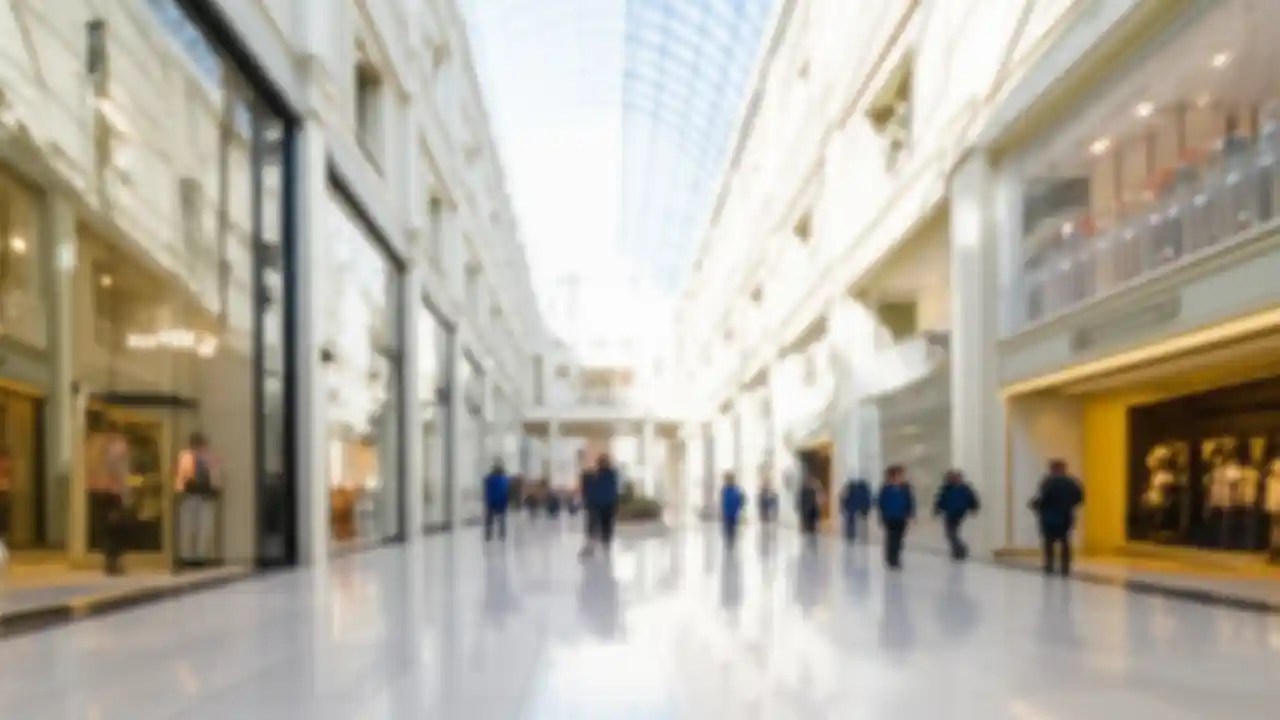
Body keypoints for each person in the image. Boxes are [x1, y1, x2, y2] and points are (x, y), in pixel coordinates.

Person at [1030, 459, 1085, 576]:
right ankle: (1065, 567)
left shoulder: (1047, 482)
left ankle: (1049, 565)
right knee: (1065, 540)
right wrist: (1069, 506)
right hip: (1065, 516)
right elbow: (1079, 498)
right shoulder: (1071, 483)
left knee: (1048, 541)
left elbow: (1042, 498)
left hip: (1048, 516)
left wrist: (1036, 506)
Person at [175, 432, 220, 566]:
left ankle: (199, 556)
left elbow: (216, 475)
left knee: (203, 527)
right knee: (189, 526)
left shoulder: (209, 458)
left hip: (203, 495)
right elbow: (182, 476)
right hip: (191, 494)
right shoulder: (186, 456)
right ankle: (189, 556)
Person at [934, 470, 980, 560]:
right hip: (950, 512)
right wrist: (937, 509)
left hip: (957, 513)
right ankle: (958, 551)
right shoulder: (947, 488)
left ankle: (960, 550)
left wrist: (974, 508)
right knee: (952, 533)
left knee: (951, 533)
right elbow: (940, 500)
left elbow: (972, 499)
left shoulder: (963, 489)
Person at [876, 465, 916, 570]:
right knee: (891, 538)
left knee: (899, 539)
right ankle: (891, 558)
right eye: (899, 474)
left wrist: (911, 514)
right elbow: (880, 502)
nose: (901, 477)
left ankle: (896, 557)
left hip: (901, 517)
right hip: (889, 517)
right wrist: (882, 515)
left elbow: (910, 502)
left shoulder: (905, 488)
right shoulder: (886, 488)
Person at [483, 459, 511, 542]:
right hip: (501, 501)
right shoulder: (504, 479)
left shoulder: (489, 479)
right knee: (502, 520)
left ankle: (488, 535)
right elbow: (506, 490)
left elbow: (486, 488)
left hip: (491, 501)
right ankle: (502, 535)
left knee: (489, 519)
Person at [839, 477, 873, 543]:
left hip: (851, 510)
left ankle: (850, 537)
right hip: (862, 510)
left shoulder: (851, 490)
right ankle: (863, 537)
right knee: (863, 524)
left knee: (850, 524)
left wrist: (844, 508)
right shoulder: (865, 491)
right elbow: (867, 501)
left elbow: (844, 500)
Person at [720, 472, 745, 547]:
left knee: (732, 527)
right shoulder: (725, 489)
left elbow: (740, 499)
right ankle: (729, 540)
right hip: (727, 512)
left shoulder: (736, 489)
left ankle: (731, 540)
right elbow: (723, 501)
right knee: (728, 527)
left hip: (733, 512)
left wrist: (739, 507)